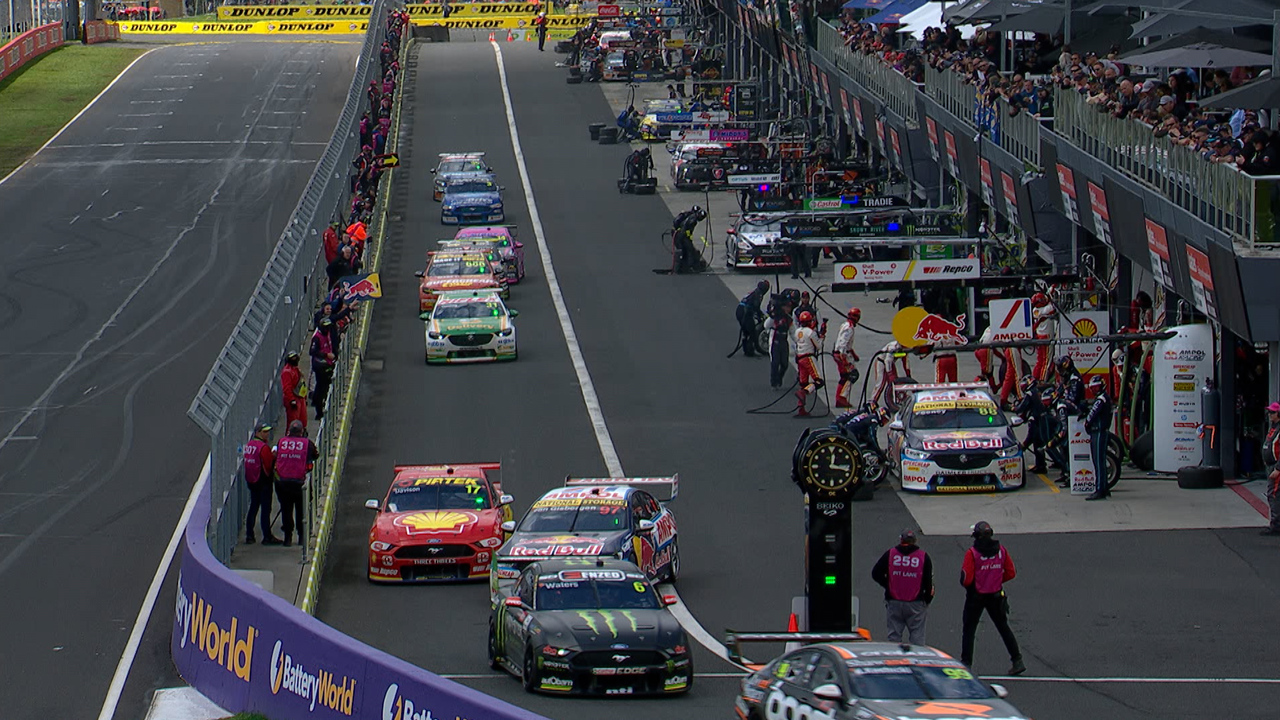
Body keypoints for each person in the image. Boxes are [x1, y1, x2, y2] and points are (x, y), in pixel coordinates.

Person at [960, 521, 1025, 675]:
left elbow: (966, 579)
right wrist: (995, 580)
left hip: (976, 597)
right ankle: (1017, 660)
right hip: (995, 595)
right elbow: (1011, 572)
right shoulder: (1001, 550)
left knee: (969, 630)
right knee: (1003, 627)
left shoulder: (972, 553)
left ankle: (966, 664)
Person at [871, 529, 934, 644]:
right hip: (916, 602)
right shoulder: (923, 557)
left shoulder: (891, 554)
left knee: (894, 637)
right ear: (915, 541)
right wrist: (927, 599)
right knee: (917, 636)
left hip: (894, 601)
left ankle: (895, 655)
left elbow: (876, 573)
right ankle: (916, 655)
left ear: (901, 540)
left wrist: (888, 585)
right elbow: (928, 582)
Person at [273, 420, 319, 548]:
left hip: (283, 482)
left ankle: (288, 538)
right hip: (299, 483)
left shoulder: (281, 442)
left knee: (286, 510)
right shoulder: (307, 443)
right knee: (301, 511)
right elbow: (316, 455)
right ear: (301, 431)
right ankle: (301, 537)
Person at [242, 423, 281, 545]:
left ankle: (249, 535)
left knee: (253, 507)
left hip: (251, 480)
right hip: (263, 481)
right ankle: (267, 536)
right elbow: (269, 465)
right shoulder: (263, 448)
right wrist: (274, 456)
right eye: (264, 432)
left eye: (268, 431)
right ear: (258, 432)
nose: (267, 434)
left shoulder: (249, 445)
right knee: (265, 509)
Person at [1084, 375, 1113, 500]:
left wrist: (1087, 424)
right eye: (1093, 388)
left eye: (1096, 387)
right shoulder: (1105, 398)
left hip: (1099, 432)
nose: (1094, 390)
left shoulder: (1101, 400)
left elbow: (1091, 416)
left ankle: (1100, 489)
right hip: (1101, 432)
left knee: (1098, 462)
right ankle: (1104, 488)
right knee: (1100, 461)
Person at [1012, 376, 1049, 474]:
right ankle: (1040, 464)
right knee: (1041, 442)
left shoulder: (1030, 394)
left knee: (1037, 442)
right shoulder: (1038, 390)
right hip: (1045, 419)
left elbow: (1021, 408)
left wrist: (1013, 408)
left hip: (1036, 420)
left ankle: (1041, 466)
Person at [793, 311, 827, 417]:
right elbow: (819, 346)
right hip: (808, 358)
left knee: (803, 382)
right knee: (819, 381)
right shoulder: (811, 333)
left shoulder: (797, 331)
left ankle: (801, 408)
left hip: (799, 358)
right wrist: (822, 336)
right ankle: (804, 392)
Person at [832, 308, 861, 408]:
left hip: (839, 353)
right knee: (853, 375)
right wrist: (844, 359)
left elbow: (845, 344)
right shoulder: (849, 328)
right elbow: (843, 344)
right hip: (842, 355)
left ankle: (839, 398)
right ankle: (842, 397)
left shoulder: (845, 325)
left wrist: (853, 354)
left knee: (844, 376)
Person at [310, 318, 337, 421]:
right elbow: (312, 351)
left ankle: (324, 405)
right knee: (321, 388)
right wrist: (326, 355)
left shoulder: (328, 334)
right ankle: (319, 412)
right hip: (320, 366)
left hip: (328, 364)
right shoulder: (317, 337)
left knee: (326, 386)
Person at [736, 281, 769, 357]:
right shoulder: (759, 294)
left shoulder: (754, 292)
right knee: (752, 332)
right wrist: (761, 316)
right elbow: (756, 307)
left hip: (740, 310)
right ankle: (751, 350)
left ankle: (747, 350)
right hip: (745, 312)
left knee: (746, 331)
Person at [1262, 402, 1280, 535]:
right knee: (1272, 494)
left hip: (1276, 468)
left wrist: (1278, 469)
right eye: (1269, 412)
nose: (1270, 415)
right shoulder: (1273, 428)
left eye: (1272, 412)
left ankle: (1276, 526)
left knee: (1273, 495)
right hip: (1270, 466)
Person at [281, 351, 306, 429]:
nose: (295, 359)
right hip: (293, 399)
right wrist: (292, 400)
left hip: (299, 397)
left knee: (302, 420)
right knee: (293, 423)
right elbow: (287, 388)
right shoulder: (287, 372)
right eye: (293, 358)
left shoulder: (296, 369)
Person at [769, 314, 792, 390]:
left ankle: (779, 377)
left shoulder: (789, 319)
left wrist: (799, 342)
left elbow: (792, 332)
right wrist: (772, 317)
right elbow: (766, 325)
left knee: (785, 364)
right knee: (775, 363)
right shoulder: (775, 317)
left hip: (784, 342)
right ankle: (773, 383)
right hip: (775, 342)